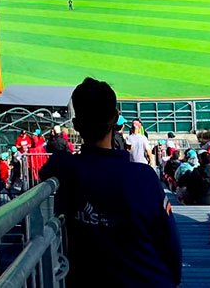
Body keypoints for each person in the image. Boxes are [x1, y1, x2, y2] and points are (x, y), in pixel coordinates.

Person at [39, 77, 181, 287]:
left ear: (76, 125)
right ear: (115, 118)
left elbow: (47, 170)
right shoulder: (144, 177)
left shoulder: (66, 168)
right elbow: (170, 243)